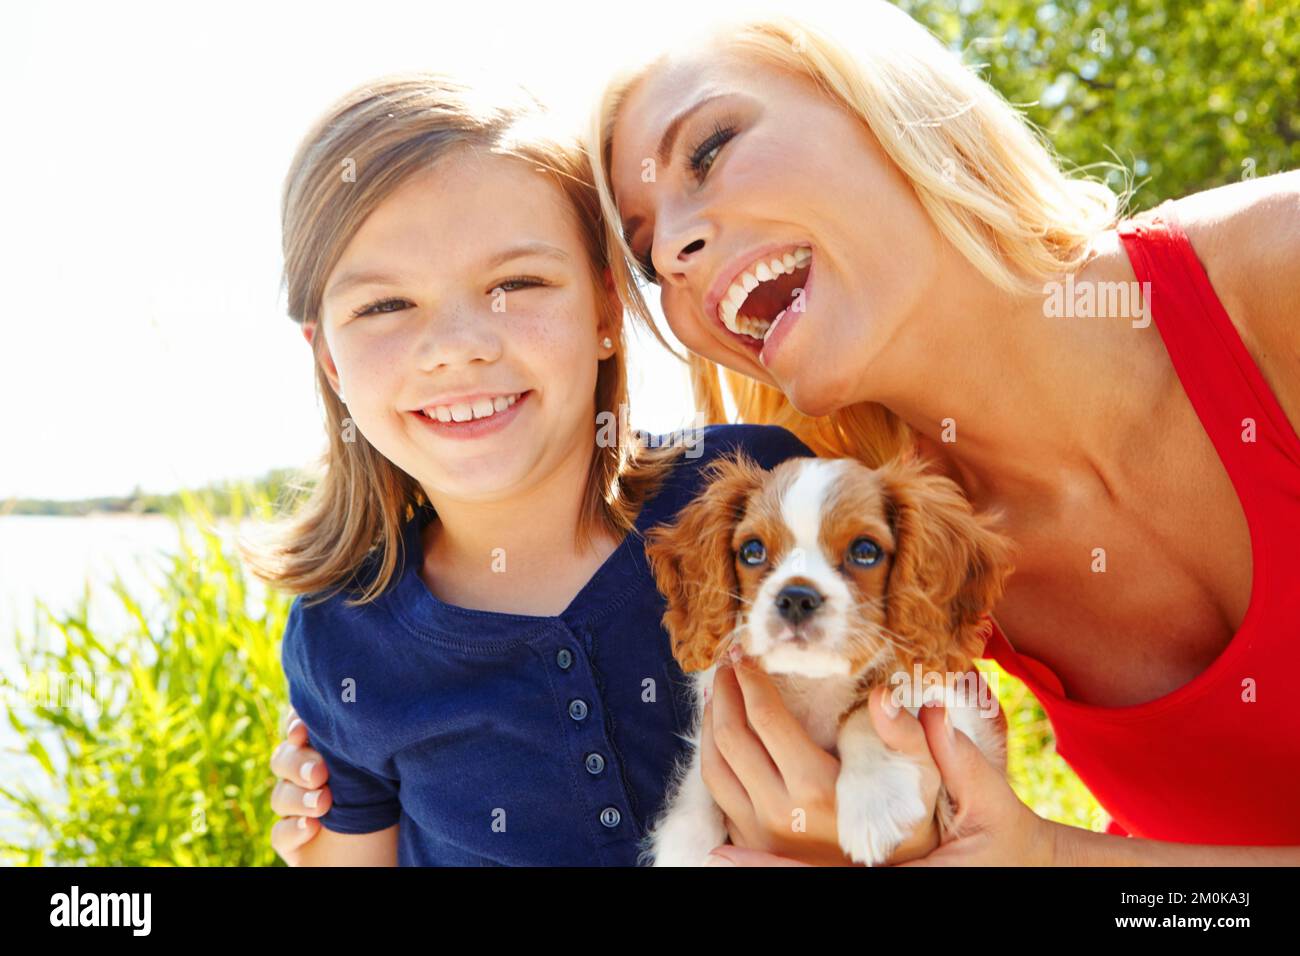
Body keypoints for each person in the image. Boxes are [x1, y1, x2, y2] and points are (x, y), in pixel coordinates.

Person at [587, 0, 1300, 864]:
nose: (671, 249)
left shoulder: (1278, 275)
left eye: (710, 147)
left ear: (885, 106)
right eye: (642, 245)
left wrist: (1046, 857)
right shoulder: (905, 548)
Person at [243, 71, 826, 865]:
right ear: (333, 364)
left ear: (604, 313)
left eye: (517, 284)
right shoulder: (344, 637)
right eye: (384, 305)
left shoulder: (754, 491)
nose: (456, 345)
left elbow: (920, 750)